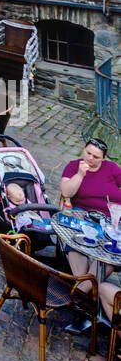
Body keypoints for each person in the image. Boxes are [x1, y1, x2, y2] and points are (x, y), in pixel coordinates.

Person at [60, 137, 121, 332]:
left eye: (96, 157)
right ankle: (91, 307)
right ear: (83, 150)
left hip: (110, 223)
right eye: (88, 153)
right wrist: (79, 174)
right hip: (81, 223)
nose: (91, 159)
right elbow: (66, 192)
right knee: (82, 270)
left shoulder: (112, 169)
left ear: (104, 158)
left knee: (104, 261)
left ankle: (79, 304)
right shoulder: (73, 167)